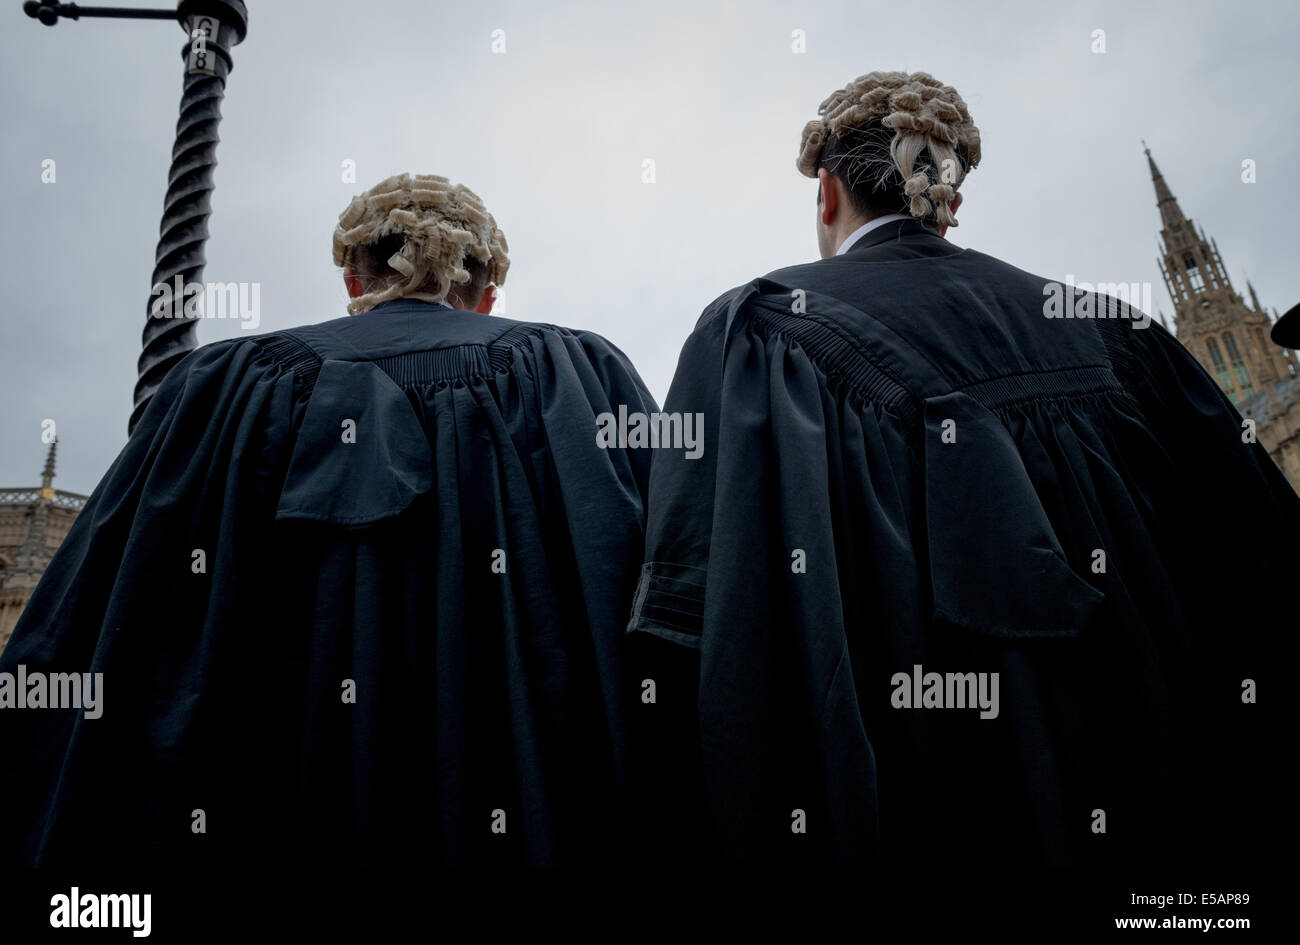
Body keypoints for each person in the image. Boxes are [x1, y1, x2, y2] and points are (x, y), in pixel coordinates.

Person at [627, 72, 1297, 869]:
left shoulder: (758, 336)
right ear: (951, 195)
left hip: (932, 815)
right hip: (1174, 819)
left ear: (827, 191)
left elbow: (695, 622)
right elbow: (1265, 571)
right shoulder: (1122, 335)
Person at [0, 173, 657, 871]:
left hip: (254, 803)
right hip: (522, 794)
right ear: (488, 293)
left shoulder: (218, 382)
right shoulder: (576, 371)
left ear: (353, 278)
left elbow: (106, 604)